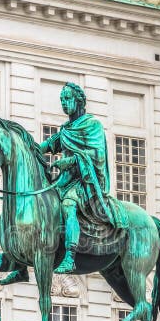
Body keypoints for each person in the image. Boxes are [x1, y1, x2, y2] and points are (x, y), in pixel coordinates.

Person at [40, 82, 128, 274]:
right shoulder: (67, 129)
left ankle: (70, 257)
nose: (64, 103)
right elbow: (48, 145)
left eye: (67, 99)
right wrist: (25, 148)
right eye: (61, 100)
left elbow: (98, 156)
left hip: (86, 183)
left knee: (68, 205)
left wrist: (70, 161)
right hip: (64, 180)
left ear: (78, 101)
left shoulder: (92, 125)